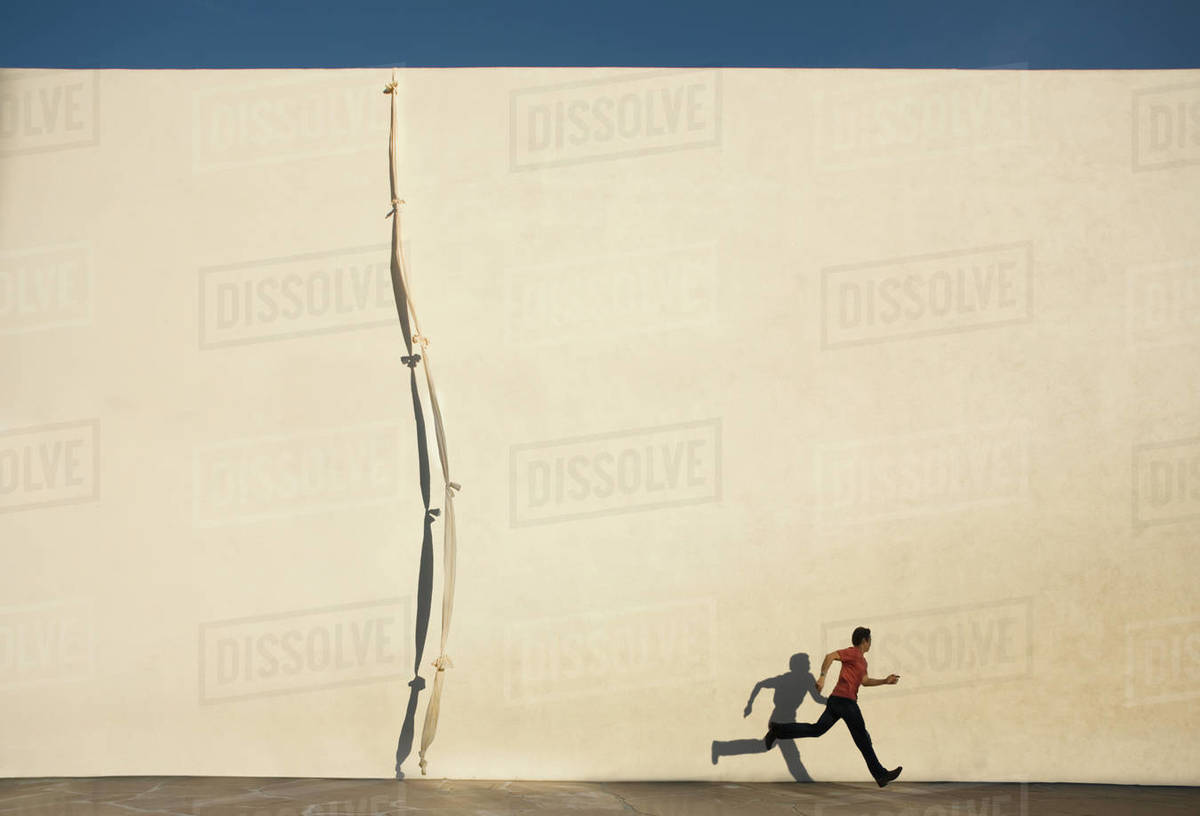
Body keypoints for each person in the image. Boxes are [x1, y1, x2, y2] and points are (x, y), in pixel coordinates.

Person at [764, 627, 903, 788]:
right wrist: (822, 677)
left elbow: (864, 681)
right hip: (846, 702)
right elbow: (830, 656)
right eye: (870, 640)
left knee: (816, 730)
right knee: (863, 738)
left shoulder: (863, 662)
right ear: (864, 641)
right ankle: (881, 774)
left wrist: (885, 681)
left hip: (836, 701)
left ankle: (777, 730)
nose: (871, 643)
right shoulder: (853, 653)